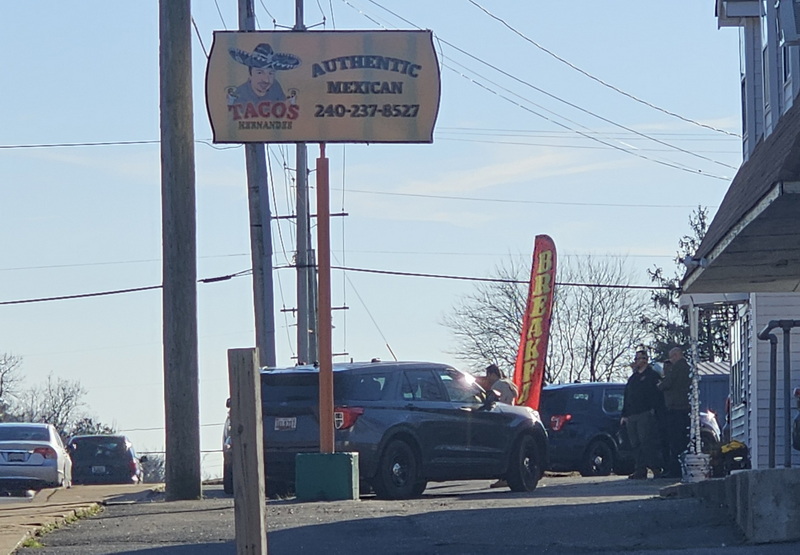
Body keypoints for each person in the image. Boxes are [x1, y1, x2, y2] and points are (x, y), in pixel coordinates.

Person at [620, 350, 664, 479]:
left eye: (642, 358)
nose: (639, 361)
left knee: (647, 442)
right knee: (635, 444)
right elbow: (627, 396)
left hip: (645, 414)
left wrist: (653, 410)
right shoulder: (633, 379)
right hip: (631, 415)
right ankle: (640, 470)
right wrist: (624, 415)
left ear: (646, 360)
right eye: (637, 358)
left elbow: (657, 396)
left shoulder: (653, 376)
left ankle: (656, 468)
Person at [227, 42, 301, 104]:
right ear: (250, 74)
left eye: (271, 73)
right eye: (260, 72)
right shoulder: (240, 94)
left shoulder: (275, 87)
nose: (266, 80)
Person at [657, 347, 692, 478]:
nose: (670, 360)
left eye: (671, 357)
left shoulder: (677, 368)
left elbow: (666, 384)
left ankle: (675, 470)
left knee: (675, 441)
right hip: (684, 408)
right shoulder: (688, 368)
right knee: (682, 440)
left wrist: (660, 383)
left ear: (676, 355)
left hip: (676, 408)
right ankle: (680, 468)